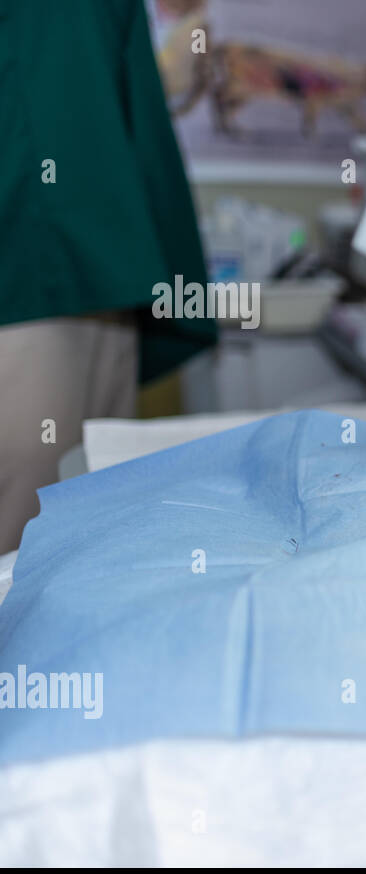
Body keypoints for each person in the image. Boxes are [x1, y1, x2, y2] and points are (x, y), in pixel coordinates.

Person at [0, 0, 214, 552]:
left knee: (87, 515)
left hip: (102, 262)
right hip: (34, 266)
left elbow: (121, 97)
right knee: (31, 532)